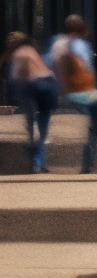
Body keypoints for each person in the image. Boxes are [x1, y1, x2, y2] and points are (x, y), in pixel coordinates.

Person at [48, 15, 97, 173]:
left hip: (69, 93)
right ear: (82, 29)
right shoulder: (79, 45)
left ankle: (86, 167)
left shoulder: (57, 43)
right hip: (85, 92)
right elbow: (86, 69)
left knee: (93, 128)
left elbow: (51, 65)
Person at [4, 31, 59, 172]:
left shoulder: (18, 54)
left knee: (31, 125)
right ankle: (38, 160)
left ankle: (35, 158)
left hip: (32, 86)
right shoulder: (31, 50)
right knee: (42, 125)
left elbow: (20, 76)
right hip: (49, 85)